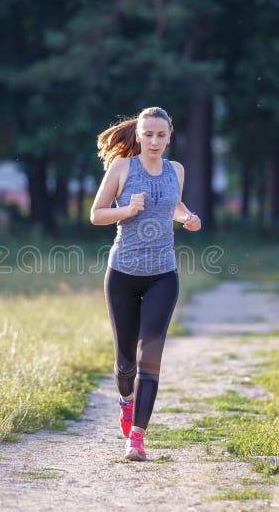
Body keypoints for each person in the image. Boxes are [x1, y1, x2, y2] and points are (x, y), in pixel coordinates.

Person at [90, 106, 202, 461]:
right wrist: (127, 210)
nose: (154, 141)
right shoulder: (122, 168)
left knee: (150, 358)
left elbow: (174, 204)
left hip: (163, 276)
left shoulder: (176, 170)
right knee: (126, 365)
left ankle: (136, 438)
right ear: (138, 135)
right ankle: (126, 401)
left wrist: (187, 217)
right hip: (123, 274)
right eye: (148, 134)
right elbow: (96, 214)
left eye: (161, 135)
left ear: (170, 136)